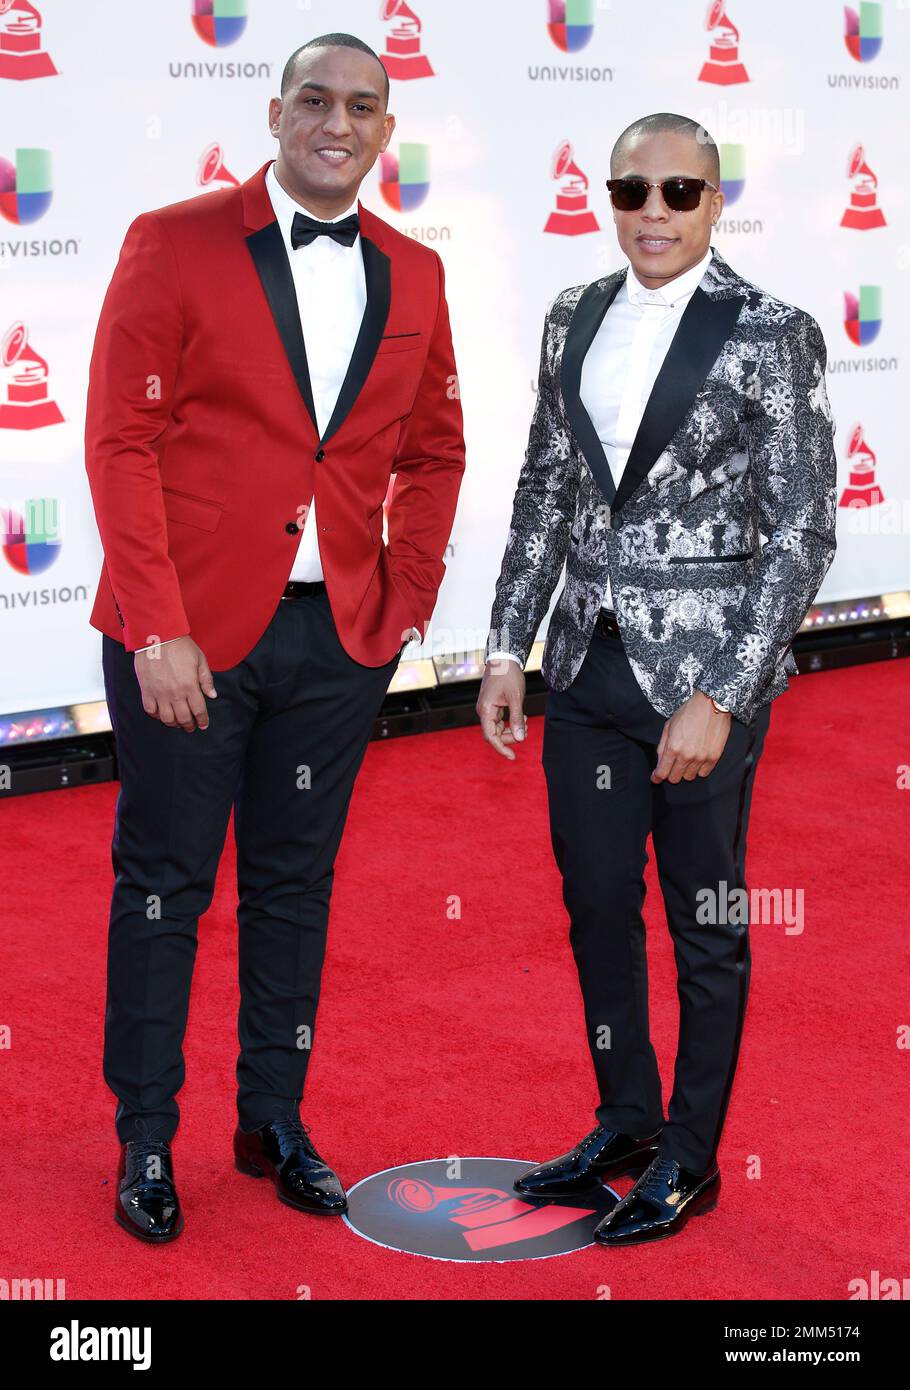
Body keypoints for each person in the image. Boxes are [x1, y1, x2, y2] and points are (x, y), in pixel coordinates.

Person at [85, 32, 465, 1243]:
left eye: (361, 106)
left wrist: (400, 603)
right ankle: (147, 1136)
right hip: (188, 638)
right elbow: (119, 441)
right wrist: (157, 625)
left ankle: (273, 1121)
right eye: (314, 99)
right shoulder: (174, 239)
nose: (335, 123)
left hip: (335, 643)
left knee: (295, 886)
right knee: (165, 884)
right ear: (275, 112)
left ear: (386, 130)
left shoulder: (415, 271)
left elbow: (435, 451)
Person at [477, 112, 836, 1245]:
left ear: (714, 200)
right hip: (586, 664)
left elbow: (802, 530)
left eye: (679, 191)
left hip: (701, 684)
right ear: (610, 198)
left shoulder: (771, 332)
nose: (653, 212)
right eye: (632, 190)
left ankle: (690, 1156)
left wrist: (722, 695)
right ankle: (626, 1119)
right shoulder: (572, 315)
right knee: (595, 903)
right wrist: (506, 644)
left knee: (705, 919)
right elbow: (544, 487)